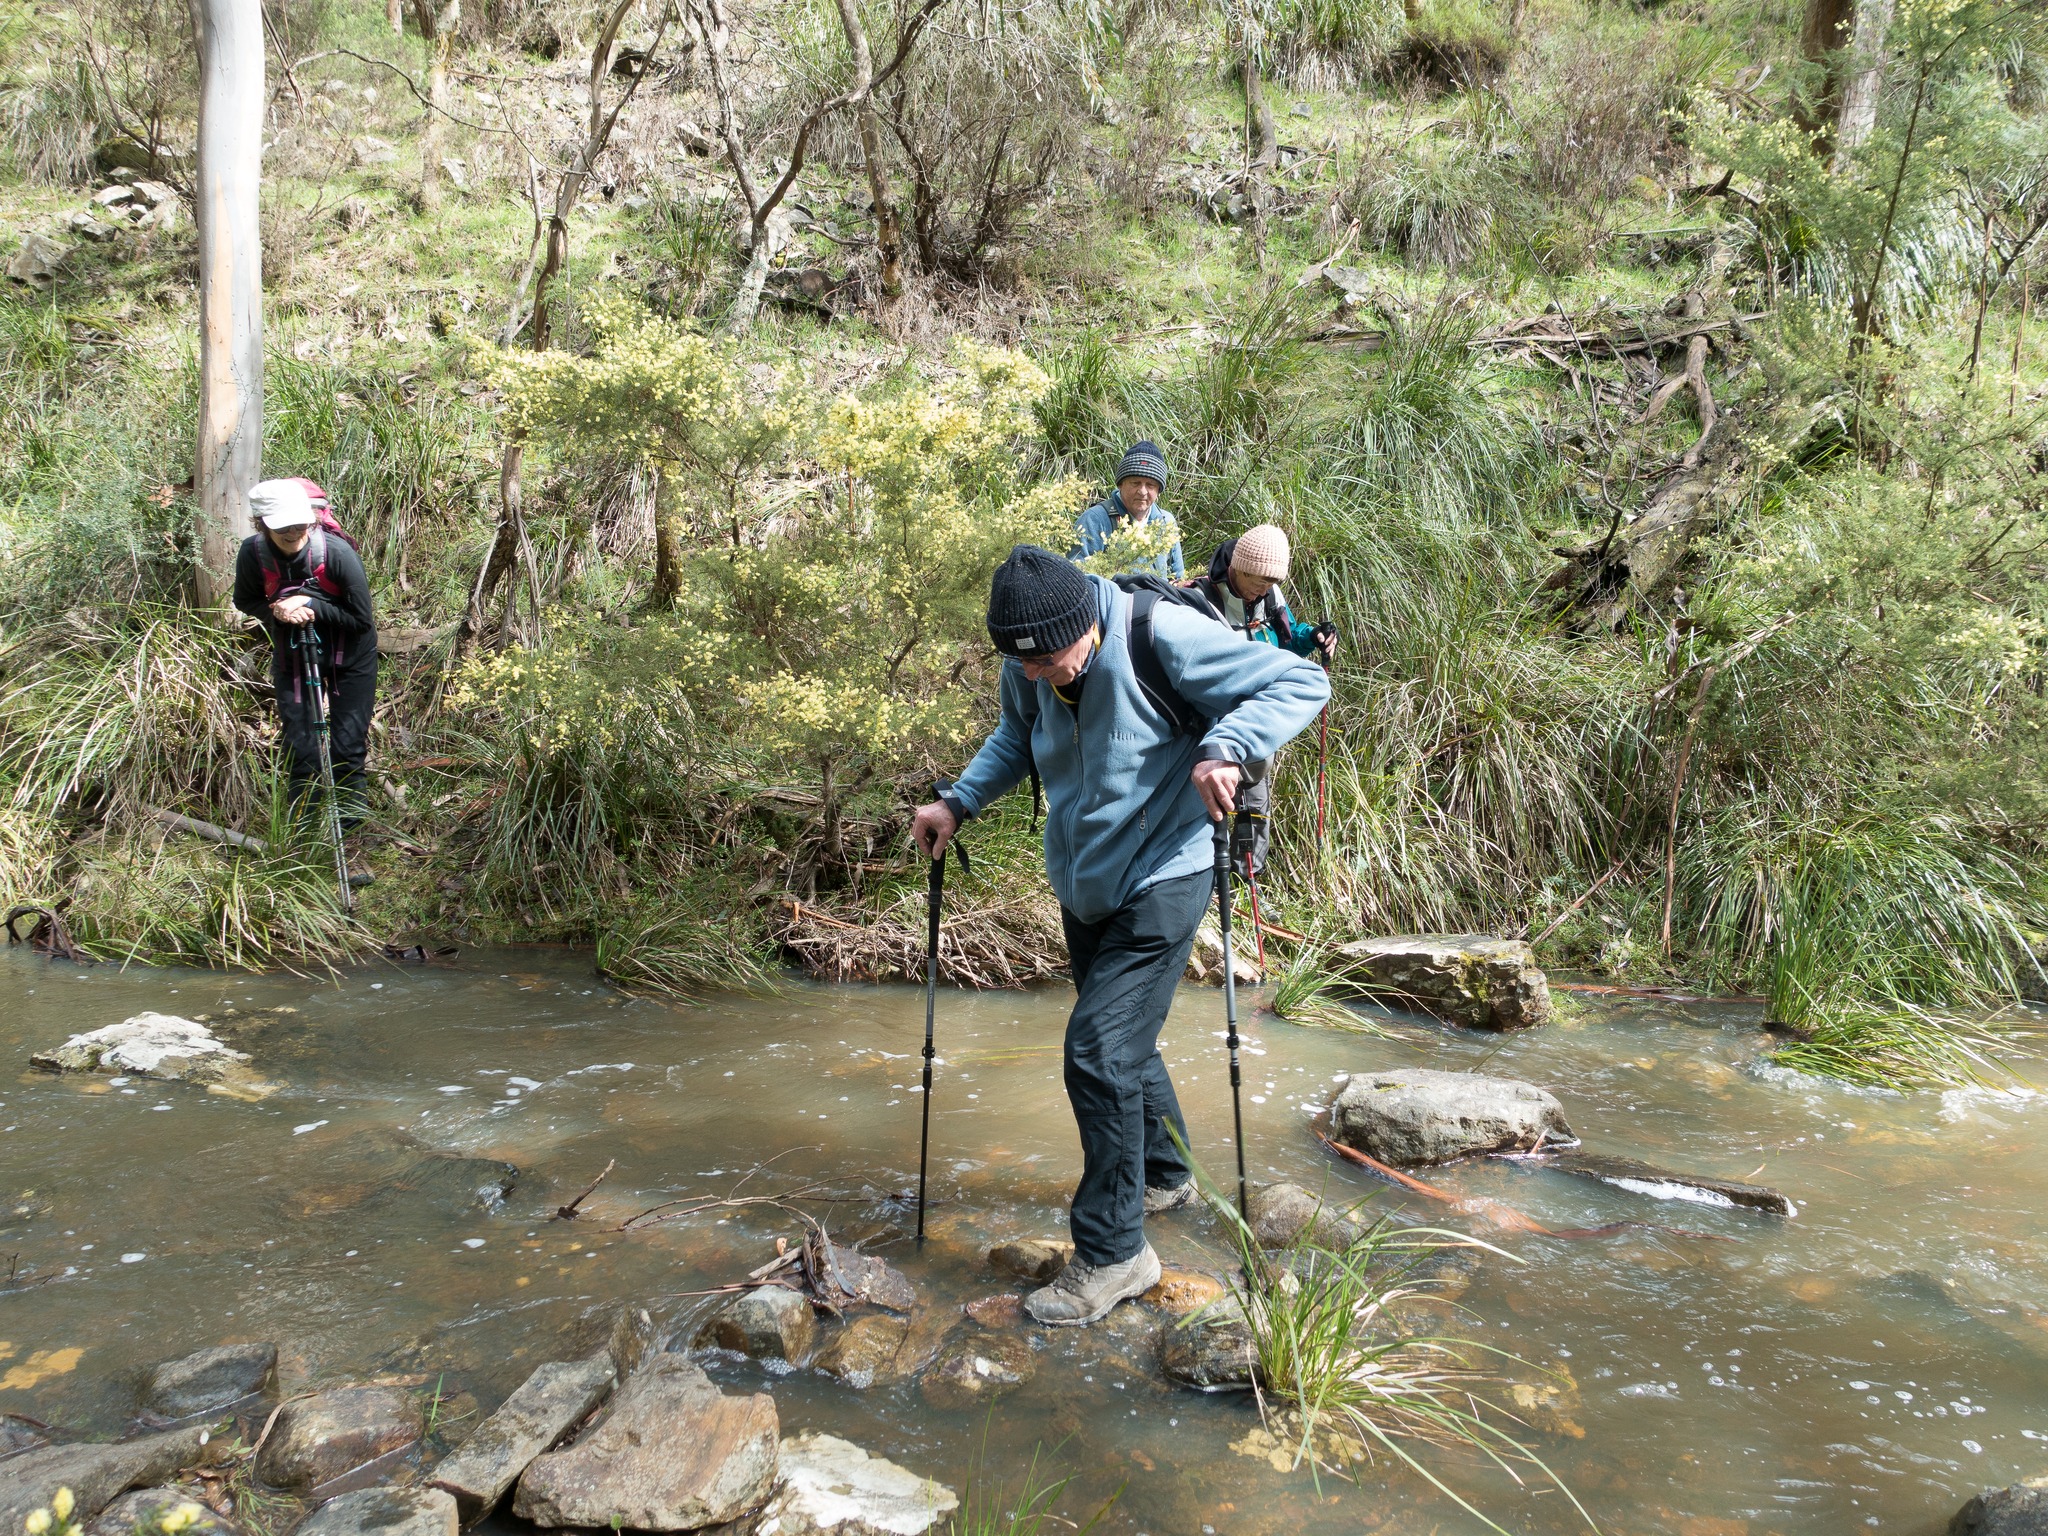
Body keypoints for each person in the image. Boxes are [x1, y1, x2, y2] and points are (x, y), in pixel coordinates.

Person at [911, 546, 1327, 1326]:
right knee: (1125, 1042)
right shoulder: (1031, 664)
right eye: (1019, 662)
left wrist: (1226, 747)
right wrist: (959, 802)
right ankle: (1167, 1176)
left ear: (1083, 628)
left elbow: (1301, 679)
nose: (1031, 674)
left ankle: (1115, 1253)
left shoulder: (1159, 636)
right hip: (1087, 884)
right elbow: (1016, 736)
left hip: (1166, 872)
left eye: (1043, 659)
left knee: (1097, 1051)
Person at [231, 478, 379, 880]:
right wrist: (278, 611)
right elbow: (245, 599)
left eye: (300, 525)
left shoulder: (336, 553)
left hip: (352, 657)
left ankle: (349, 845)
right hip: (295, 654)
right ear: (261, 524)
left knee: (347, 748)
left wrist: (311, 603)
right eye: (284, 528)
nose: (295, 534)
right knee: (302, 748)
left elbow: (361, 619)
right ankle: (303, 843)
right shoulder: (253, 553)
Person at [1186, 524, 1338, 876]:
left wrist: (1311, 636)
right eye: (1258, 579)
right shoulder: (1200, 598)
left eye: (1271, 582)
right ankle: (1205, 882)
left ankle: (1247, 877)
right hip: (1213, 729)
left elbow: (1285, 637)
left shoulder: (1269, 596)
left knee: (1251, 810)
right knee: (1211, 809)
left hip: (1256, 728)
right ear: (1238, 567)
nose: (1263, 588)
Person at [1070, 441, 1184, 579]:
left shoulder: (1166, 522)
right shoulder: (1095, 520)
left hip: (1159, 600)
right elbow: (1077, 579)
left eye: (1150, 485)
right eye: (1135, 483)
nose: (1142, 491)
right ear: (1120, 484)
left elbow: (1178, 580)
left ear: (1159, 490)